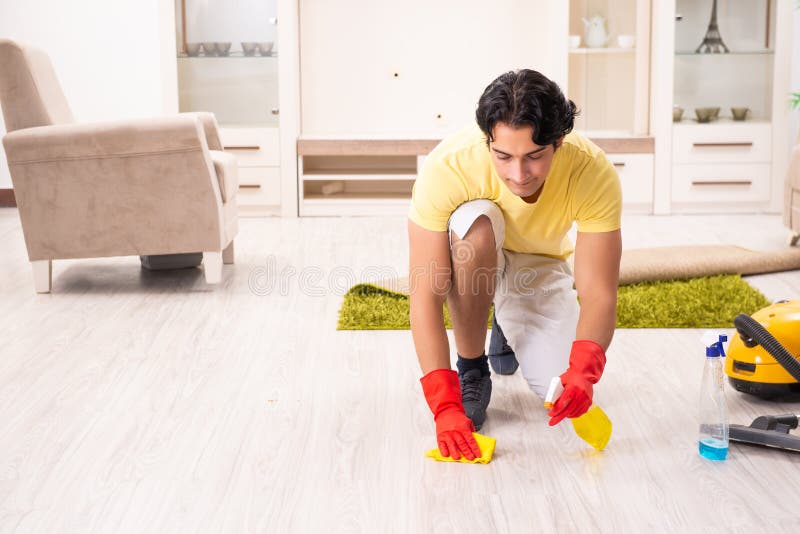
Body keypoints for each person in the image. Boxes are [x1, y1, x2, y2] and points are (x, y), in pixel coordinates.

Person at [408, 69, 622, 461]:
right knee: (477, 226)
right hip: (478, 246)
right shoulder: (449, 166)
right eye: (503, 156)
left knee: (556, 387)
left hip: (536, 264)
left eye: (535, 157)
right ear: (487, 140)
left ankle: (504, 327)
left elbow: (599, 291)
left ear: (558, 142)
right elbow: (425, 294)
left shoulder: (592, 170)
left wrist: (585, 368)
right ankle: (473, 366)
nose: (518, 174)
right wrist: (445, 404)